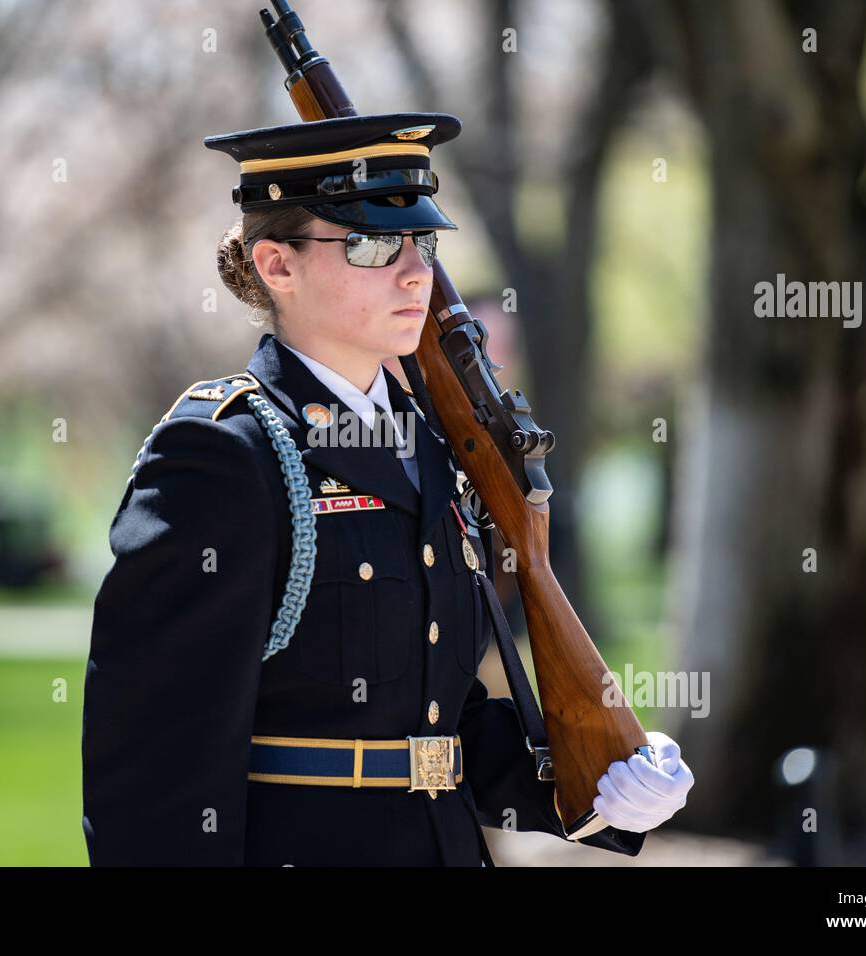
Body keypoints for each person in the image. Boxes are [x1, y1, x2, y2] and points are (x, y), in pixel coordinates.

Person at [81, 112, 693, 866]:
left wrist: (596, 789)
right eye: (371, 244)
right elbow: (154, 769)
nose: (416, 273)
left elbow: (438, 727)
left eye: (424, 243)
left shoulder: (431, 446)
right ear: (277, 266)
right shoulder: (223, 454)